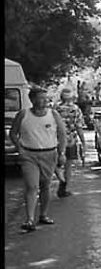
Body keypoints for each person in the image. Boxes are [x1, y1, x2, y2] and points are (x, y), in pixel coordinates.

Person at [9, 86, 67, 231]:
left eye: (45, 98)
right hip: (29, 155)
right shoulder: (23, 114)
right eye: (40, 98)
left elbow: (62, 134)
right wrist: (19, 148)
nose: (44, 101)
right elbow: (13, 133)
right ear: (32, 99)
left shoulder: (53, 115)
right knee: (32, 186)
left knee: (45, 186)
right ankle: (29, 219)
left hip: (49, 154)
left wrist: (61, 153)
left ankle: (43, 215)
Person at [54, 88, 87, 197]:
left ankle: (59, 178)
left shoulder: (55, 109)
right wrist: (83, 142)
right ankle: (63, 188)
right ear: (72, 98)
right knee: (68, 166)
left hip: (55, 141)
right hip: (70, 141)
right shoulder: (75, 109)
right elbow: (79, 127)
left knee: (55, 164)